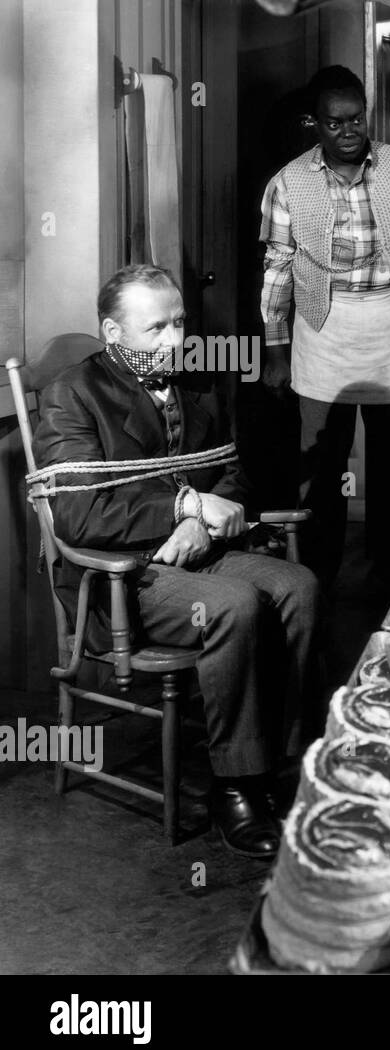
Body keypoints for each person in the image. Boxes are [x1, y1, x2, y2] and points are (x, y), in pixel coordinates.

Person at [33, 265, 322, 858]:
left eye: (181, 323)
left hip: (196, 555)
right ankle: (236, 787)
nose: (176, 340)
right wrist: (184, 507)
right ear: (114, 334)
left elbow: (231, 475)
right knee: (233, 604)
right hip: (118, 577)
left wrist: (197, 522)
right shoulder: (72, 394)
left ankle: (276, 763)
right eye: (156, 328)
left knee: (298, 585)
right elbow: (79, 518)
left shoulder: (198, 385)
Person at [259, 65, 390, 586]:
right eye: (335, 123)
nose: (349, 133)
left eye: (357, 121)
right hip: (325, 330)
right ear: (313, 124)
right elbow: (278, 267)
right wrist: (275, 348)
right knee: (321, 473)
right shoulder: (289, 182)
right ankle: (316, 581)